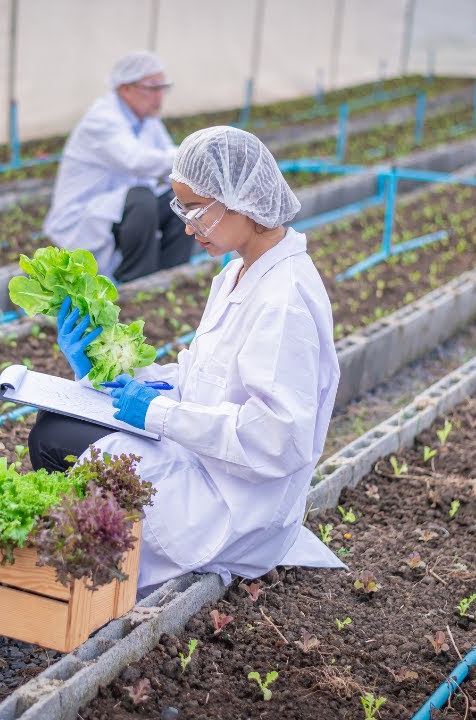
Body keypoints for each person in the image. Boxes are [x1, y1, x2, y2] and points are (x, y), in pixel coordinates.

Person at [29, 125, 345, 594]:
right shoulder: (240, 270)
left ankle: (93, 583)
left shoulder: (284, 300)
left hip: (235, 506)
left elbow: (277, 439)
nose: (186, 226)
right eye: (183, 208)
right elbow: (199, 374)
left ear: (242, 200)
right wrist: (104, 369)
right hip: (207, 463)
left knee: (53, 440)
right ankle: (91, 567)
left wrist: (159, 413)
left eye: (197, 210)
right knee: (54, 424)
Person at [42, 50, 195, 283]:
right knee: (141, 200)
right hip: (84, 215)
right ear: (126, 88)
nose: (159, 96)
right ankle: (136, 283)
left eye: (163, 88)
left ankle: (168, 278)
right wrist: (192, 154)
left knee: (183, 200)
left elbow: (167, 157)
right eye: (153, 88)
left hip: (117, 209)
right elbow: (136, 160)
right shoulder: (101, 119)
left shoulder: (148, 120)